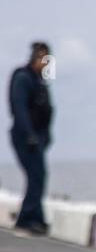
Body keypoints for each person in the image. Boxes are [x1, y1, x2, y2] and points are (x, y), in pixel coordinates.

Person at [8, 42, 54, 234]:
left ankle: (36, 218)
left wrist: (46, 135)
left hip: (38, 137)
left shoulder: (39, 80)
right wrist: (29, 135)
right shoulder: (23, 78)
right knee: (36, 176)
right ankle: (26, 219)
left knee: (39, 177)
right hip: (25, 137)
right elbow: (19, 110)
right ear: (36, 58)